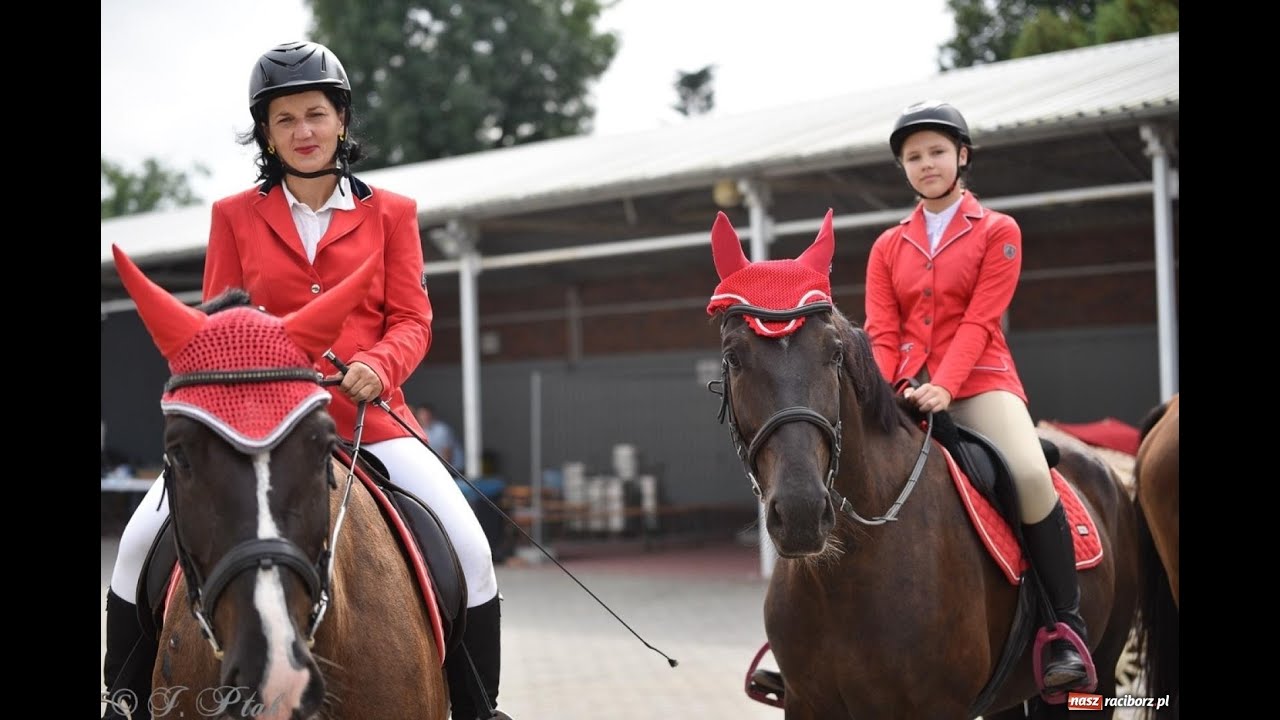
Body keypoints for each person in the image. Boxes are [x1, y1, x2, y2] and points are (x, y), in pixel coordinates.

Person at [101, 41, 512, 720]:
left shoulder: (394, 213)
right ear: (266, 132)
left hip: (370, 419)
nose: (303, 131)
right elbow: (217, 328)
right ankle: (122, 700)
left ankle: (478, 706)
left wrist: (377, 368)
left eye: (315, 114)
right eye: (285, 119)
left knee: (470, 549)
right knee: (137, 545)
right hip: (257, 425)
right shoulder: (234, 216)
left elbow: (412, 318)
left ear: (341, 121)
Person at [863, 100, 1093, 693]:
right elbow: (883, 333)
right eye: (913, 157)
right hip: (908, 389)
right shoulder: (888, 246)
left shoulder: (998, 231)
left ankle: (1064, 628)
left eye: (937, 151)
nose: (926, 163)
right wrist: (885, 393)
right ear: (904, 169)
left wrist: (947, 386)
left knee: (1029, 475)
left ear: (962, 156)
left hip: (982, 382)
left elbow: (981, 321)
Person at [416, 401, 466, 474]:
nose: (424, 417)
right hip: (436, 470)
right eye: (422, 414)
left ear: (431, 415)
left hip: (454, 470)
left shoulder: (442, 429)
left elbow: (447, 455)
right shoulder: (417, 430)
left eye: (426, 414)